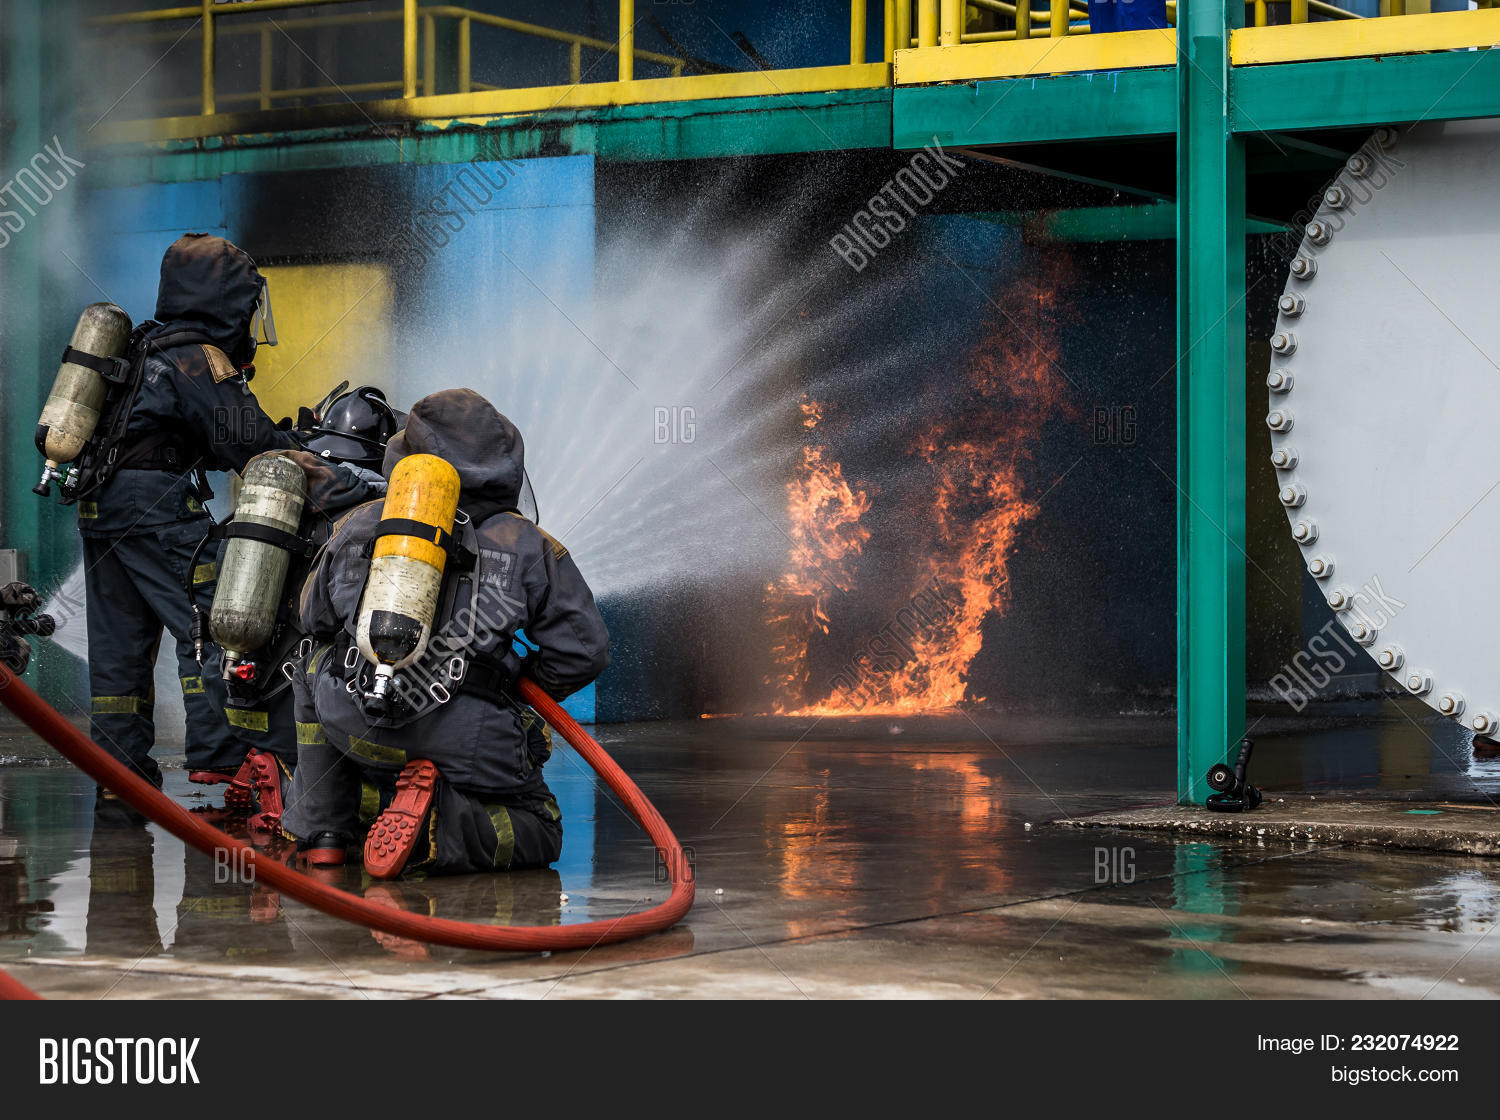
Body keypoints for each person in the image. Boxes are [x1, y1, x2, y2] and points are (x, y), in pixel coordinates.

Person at [283, 388, 610, 877]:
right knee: (541, 824)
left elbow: (314, 619)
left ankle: (324, 832)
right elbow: (585, 652)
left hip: (351, 719)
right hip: (463, 737)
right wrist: (516, 683)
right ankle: (439, 823)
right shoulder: (530, 544)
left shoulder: (359, 522)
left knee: (310, 667)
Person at [74, 233, 293, 795]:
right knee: (215, 622)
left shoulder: (145, 348)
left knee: (119, 648)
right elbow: (251, 446)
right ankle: (221, 757)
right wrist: (300, 445)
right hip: (157, 509)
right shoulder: (199, 358)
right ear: (229, 303)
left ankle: (118, 770)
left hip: (103, 508)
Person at [204, 387, 399, 835]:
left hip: (236, 694)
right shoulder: (367, 517)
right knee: (397, 788)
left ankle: (269, 767)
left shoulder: (269, 501)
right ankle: (301, 792)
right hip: (302, 707)